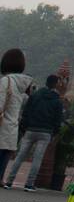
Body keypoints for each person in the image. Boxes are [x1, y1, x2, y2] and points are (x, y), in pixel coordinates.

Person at [4, 73, 64, 191]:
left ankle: (9, 182)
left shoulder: (35, 95)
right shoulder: (57, 100)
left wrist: (24, 127)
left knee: (20, 156)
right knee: (37, 158)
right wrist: (54, 131)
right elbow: (58, 119)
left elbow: (26, 112)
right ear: (56, 85)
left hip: (30, 130)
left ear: (46, 82)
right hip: (46, 132)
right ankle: (29, 184)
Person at [0, 49, 34, 186]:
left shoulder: (5, 81)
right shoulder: (23, 84)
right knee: (4, 156)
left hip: (2, 126)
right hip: (12, 127)